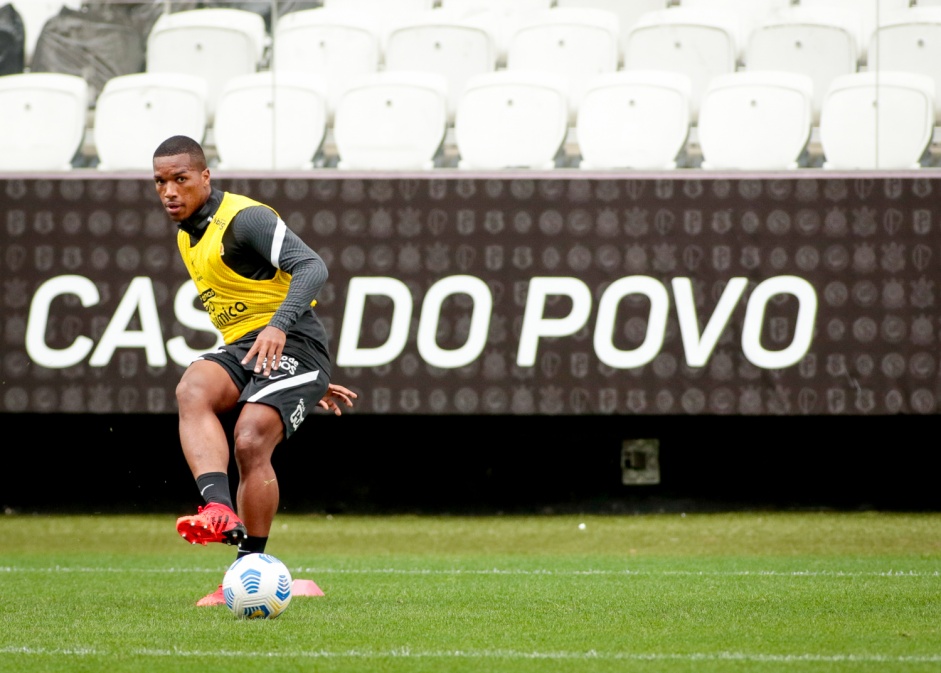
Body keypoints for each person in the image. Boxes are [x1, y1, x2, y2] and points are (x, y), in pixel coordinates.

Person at [152, 134, 357, 607]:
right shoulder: (188, 232)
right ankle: (219, 508)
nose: (169, 191)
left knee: (249, 439)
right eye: (160, 181)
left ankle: (248, 564)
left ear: (206, 176)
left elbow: (312, 266)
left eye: (180, 179)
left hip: (296, 343)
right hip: (249, 350)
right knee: (193, 387)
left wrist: (283, 335)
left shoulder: (246, 220)